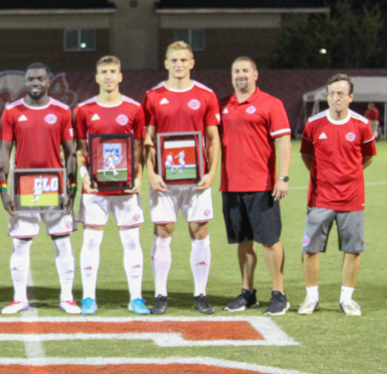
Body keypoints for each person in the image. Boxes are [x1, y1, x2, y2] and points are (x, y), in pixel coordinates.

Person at [142, 41, 220, 315]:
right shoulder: (152, 96)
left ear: (192, 63)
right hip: (164, 180)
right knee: (163, 230)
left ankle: (200, 294)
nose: (179, 64)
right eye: (174, 60)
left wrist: (212, 172)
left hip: (197, 179)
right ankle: (160, 294)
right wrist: (150, 173)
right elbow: (148, 138)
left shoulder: (206, 95)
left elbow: (213, 139)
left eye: (183, 60)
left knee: (199, 230)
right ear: (166, 63)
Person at [0, 62, 78, 314]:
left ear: (48, 81)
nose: (35, 82)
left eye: (40, 78)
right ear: (25, 81)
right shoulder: (11, 111)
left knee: (62, 242)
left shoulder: (63, 110)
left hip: (55, 186)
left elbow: (71, 153)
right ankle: (19, 298)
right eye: (31, 78)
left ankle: (67, 298)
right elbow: (4, 151)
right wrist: (3, 188)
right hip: (24, 187)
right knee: (21, 243)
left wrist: (72, 187)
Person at [219, 57, 293, 316]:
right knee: (243, 242)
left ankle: (279, 293)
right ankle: (247, 293)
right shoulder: (223, 105)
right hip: (230, 186)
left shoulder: (271, 103)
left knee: (270, 241)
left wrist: (282, 177)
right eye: (236, 70)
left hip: (262, 185)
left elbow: (284, 141)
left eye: (245, 71)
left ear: (255, 74)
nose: (241, 75)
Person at [74, 55, 147, 315]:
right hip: (94, 188)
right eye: (103, 71)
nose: (108, 76)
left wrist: (138, 177)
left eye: (112, 71)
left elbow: (139, 147)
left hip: (125, 188)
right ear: (96, 77)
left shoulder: (134, 109)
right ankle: (88, 297)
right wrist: (84, 174)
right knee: (92, 241)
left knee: (131, 240)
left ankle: (136, 298)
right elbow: (80, 148)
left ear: (120, 76)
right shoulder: (83, 110)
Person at [299, 73, 376, 316]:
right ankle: (312, 298)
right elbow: (306, 156)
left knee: (352, 250)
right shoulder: (314, 124)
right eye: (331, 93)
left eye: (340, 94)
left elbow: (368, 157)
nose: (335, 98)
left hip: (352, 199)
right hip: (320, 198)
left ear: (350, 97)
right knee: (310, 249)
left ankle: (347, 299)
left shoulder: (362, 125)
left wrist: (349, 175)